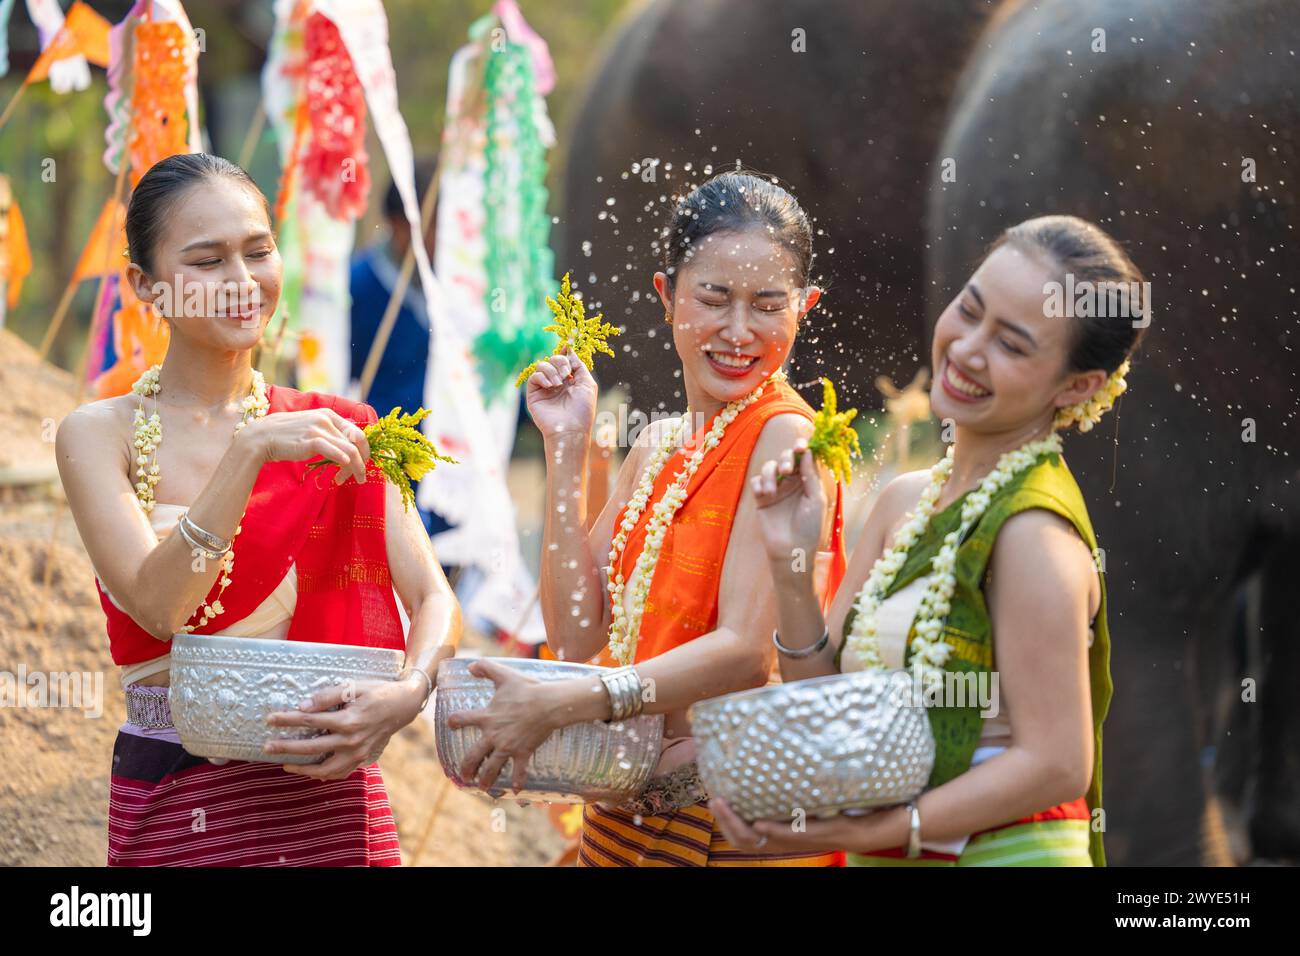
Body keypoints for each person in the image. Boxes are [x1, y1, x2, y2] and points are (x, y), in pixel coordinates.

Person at [55, 152, 462, 866]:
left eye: (258, 252)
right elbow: (159, 607)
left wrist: (408, 693)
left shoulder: (336, 428)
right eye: (207, 261)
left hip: (329, 798)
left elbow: (434, 597)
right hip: (177, 806)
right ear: (146, 286)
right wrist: (249, 453)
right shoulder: (98, 435)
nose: (243, 284)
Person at [713, 214, 1148, 866]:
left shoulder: (1033, 535)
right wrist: (789, 564)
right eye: (969, 310)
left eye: (1013, 344)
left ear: (1079, 385)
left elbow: (1058, 764)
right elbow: (831, 704)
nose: (968, 348)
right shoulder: (904, 502)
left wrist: (867, 832)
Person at [446, 171, 846, 866]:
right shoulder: (659, 443)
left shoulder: (788, 439)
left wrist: (571, 705)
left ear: (804, 308)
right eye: (714, 298)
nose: (739, 331)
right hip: (627, 810)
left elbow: (745, 650)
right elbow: (577, 633)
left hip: (734, 822)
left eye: (768, 305)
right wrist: (566, 455)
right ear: (667, 297)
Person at [348, 157, 453, 539]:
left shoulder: (460, 289)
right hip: (388, 459)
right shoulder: (357, 287)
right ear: (399, 224)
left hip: (448, 456)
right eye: (434, 224)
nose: (444, 237)